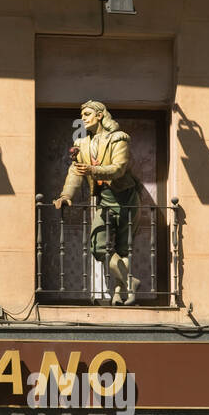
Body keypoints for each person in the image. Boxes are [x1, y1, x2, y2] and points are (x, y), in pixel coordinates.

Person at [52, 100, 142, 305]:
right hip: (105, 200)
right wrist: (66, 196)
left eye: (86, 114)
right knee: (98, 247)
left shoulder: (119, 139)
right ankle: (130, 281)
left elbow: (119, 168)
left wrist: (92, 170)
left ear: (100, 115)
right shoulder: (81, 144)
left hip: (126, 198)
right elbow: (75, 172)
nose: (83, 118)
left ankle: (119, 294)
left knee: (122, 249)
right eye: (82, 114)